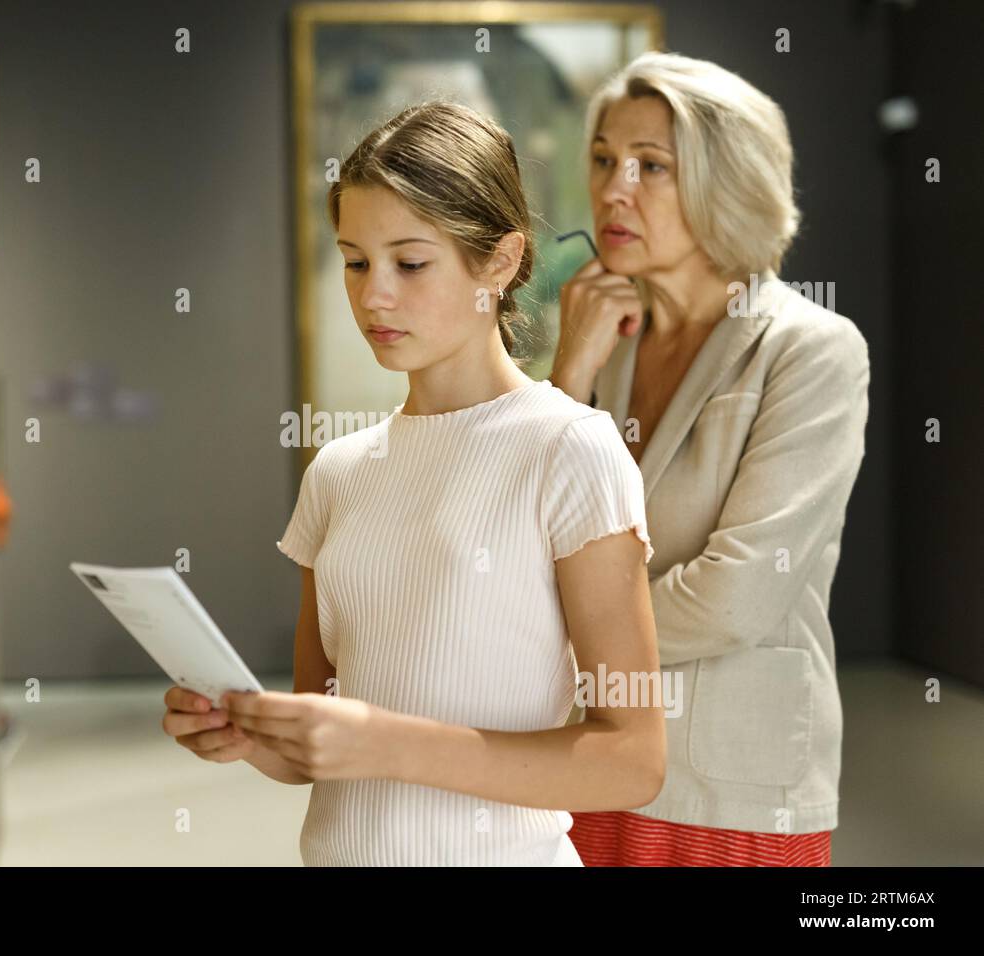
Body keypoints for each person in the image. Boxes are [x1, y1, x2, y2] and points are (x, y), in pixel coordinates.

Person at [163, 101, 666, 866]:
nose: (373, 297)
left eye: (410, 262)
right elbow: (320, 743)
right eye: (356, 261)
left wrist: (389, 743)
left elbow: (633, 761)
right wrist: (248, 735)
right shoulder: (335, 472)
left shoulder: (572, 449)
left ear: (498, 262)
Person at [552, 51, 870, 866]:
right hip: (588, 759)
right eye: (603, 160)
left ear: (726, 183)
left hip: (731, 789)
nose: (613, 187)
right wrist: (568, 374)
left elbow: (737, 597)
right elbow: (529, 534)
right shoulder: (605, 345)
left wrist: (556, 631)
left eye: (650, 166)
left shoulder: (812, 350)